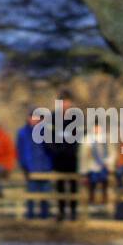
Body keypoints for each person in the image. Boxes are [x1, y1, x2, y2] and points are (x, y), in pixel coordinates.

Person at [45, 91, 80, 220]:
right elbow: (48, 138)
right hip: (58, 158)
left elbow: (81, 137)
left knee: (73, 185)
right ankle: (61, 211)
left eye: (67, 101)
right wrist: (56, 150)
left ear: (71, 103)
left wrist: (74, 150)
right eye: (63, 102)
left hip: (72, 158)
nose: (65, 104)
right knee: (60, 184)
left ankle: (73, 212)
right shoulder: (52, 117)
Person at [16, 108, 52, 219]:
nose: (33, 120)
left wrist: (49, 165)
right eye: (31, 117)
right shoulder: (23, 133)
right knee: (31, 193)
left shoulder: (46, 132)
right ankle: (30, 214)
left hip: (44, 167)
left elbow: (51, 150)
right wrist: (24, 165)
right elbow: (20, 151)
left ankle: (45, 215)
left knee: (45, 193)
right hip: (30, 168)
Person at [81, 122, 114, 206]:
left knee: (104, 181)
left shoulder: (106, 139)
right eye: (95, 127)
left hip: (104, 165)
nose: (97, 129)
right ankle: (91, 198)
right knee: (92, 181)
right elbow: (84, 156)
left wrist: (109, 162)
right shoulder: (87, 140)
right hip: (92, 165)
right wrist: (84, 171)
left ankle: (104, 197)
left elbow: (112, 153)